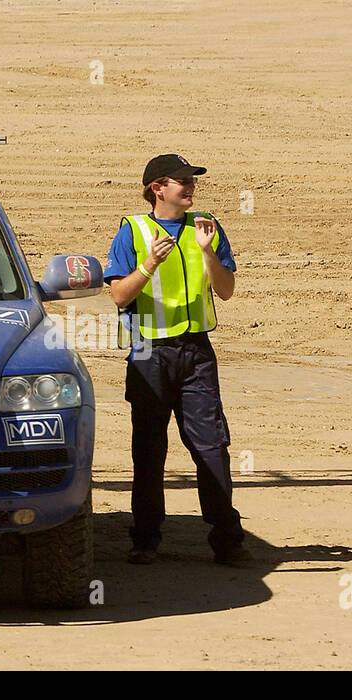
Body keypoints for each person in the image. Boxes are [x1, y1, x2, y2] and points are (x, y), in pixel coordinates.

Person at [103, 153, 250, 567]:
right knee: (149, 451)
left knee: (212, 447)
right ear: (157, 188)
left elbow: (226, 291)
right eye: (181, 180)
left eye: (192, 180)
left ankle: (227, 540)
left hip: (196, 351)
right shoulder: (133, 231)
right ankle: (145, 540)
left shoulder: (207, 226)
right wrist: (150, 264)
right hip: (149, 353)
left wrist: (207, 254)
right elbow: (118, 296)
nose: (190, 186)